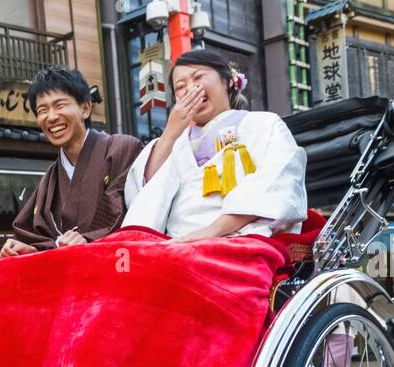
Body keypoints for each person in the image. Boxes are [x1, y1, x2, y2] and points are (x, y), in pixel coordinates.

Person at [122, 49, 307, 240]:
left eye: (198, 77)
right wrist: (170, 133)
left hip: (244, 236)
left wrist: (212, 231)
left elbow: (279, 183)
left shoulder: (263, 124)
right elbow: (143, 197)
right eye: (180, 86)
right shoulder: (174, 142)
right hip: (178, 242)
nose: (191, 89)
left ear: (228, 81)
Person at [0, 67, 142, 257]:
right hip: (69, 273)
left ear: (85, 108)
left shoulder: (123, 149)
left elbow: (135, 218)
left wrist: (88, 240)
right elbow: (31, 235)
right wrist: (28, 249)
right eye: (42, 110)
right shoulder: (49, 180)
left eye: (60, 105)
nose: (51, 117)